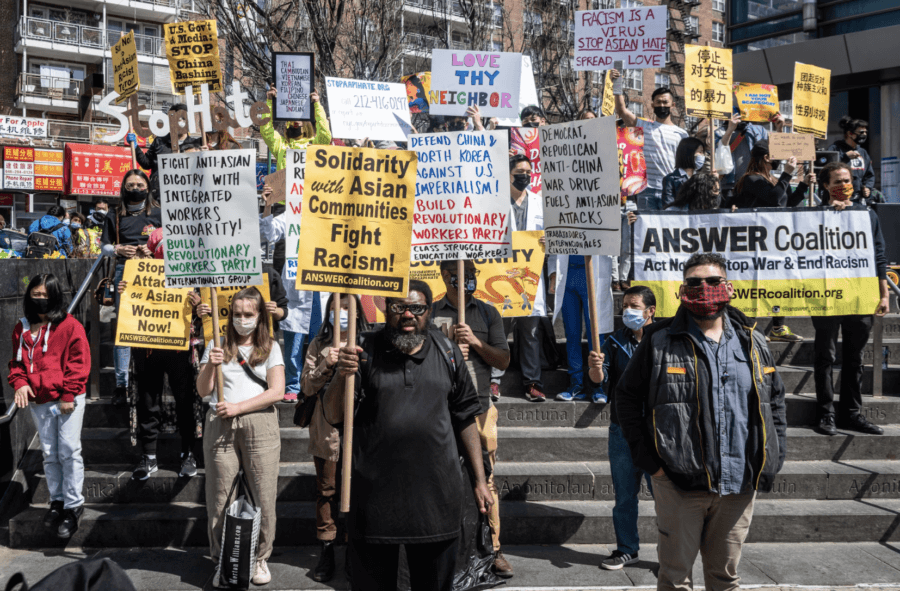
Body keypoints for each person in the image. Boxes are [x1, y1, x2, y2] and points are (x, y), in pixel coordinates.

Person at [617, 253, 787, 591]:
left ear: (729, 288)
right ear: (682, 291)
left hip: (739, 485)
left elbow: (775, 401)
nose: (704, 289)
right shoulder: (659, 340)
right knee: (674, 579)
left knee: (725, 579)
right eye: (694, 283)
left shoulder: (753, 341)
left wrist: (773, 455)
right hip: (679, 484)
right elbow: (626, 399)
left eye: (713, 281)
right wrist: (652, 463)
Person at [326, 281, 492, 591]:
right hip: (373, 502)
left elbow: (466, 418)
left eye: (417, 308)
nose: (407, 315)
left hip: (436, 502)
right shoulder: (363, 350)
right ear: (385, 310)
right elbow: (335, 414)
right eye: (399, 307)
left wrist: (480, 481)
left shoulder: (447, 351)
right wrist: (341, 376)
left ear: (429, 312)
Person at [198, 286, 285, 587]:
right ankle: (222, 560)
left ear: (260, 316)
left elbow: (276, 391)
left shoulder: (270, 347)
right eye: (236, 314)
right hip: (220, 425)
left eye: (248, 314)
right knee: (219, 496)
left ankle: (259, 557)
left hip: (258, 423)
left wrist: (238, 407)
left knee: (263, 494)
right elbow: (202, 390)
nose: (242, 319)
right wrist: (212, 362)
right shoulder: (217, 343)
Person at [432, 260, 513, 578]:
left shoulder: (488, 313)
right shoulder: (432, 311)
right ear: (445, 275)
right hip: (441, 412)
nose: (469, 280)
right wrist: (451, 350)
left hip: (480, 410)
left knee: (486, 482)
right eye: (461, 274)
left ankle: (494, 551)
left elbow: (504, 360)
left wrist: (477, 344)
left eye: (473, 274)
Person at [9, 274, 90, 539]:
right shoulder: (21, 328)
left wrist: (68, 394)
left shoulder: (70, 326)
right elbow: (17, 364)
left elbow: (79, 363)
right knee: (49, 452)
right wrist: (19, 382)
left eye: (45, 295)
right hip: (40, 399)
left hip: (68, 398)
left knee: (69, 449)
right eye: (36, 294)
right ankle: (57, 501)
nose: (40, 299)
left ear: (55, 296)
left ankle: (74, 505)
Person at [117, 228, 202, 481]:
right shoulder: (141, 273)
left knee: (186, 401)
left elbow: (207, 315)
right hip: (147, 346)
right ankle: (149, 456)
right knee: (147, 399)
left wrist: (198, 305)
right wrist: (125, 291)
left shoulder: (193, 274)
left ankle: (188, 453)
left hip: (180, 346)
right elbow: (130, 307)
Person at [812, 162, 890, 437]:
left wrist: (884, 292)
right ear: (825, 186)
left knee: (854, 358)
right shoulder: (815, 215)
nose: (845, 184)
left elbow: (878, 255)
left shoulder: (867, 216)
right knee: (825, 355)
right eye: (838, 180)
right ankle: (825, 414)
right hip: (827, 295)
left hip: (860, 293)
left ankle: (852, 414)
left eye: (848, 179)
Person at [300, 293, 369, 582]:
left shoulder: (368, 345)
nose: (339, 313)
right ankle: (327, 549)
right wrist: (325, 364)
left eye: (345, 308)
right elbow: (305, 386)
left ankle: (355, 550)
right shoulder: (318, 344)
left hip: (361, 432)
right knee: (327, 491)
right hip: (327, 431)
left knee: (359, 492)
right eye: (334, 308)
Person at [586, 286, 655, 570]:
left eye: (634, 305)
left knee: (667, 497)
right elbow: (600, 381)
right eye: (625, 304)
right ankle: (627, 549)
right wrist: (596, 368)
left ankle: (675, 552)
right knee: (624, 495)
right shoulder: (613, 342)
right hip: (623, 430)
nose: (627, 310)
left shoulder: (664, 339)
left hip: (657, 431)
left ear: (650, 311)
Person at [730, 141, 814, 343]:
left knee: (779, 284)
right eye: (776, 155)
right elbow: (774, 200)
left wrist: (803, 185)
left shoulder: (773, 179)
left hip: (776, 241)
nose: (780, 160)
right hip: (756, 242)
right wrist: (788, 174)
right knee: (755, 284)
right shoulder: (751, 179)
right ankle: (749, 327)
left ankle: (778, 327)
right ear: (767, 158)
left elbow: (788, 203)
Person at [100, 170, 161, 404]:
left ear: (147, 186)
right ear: (123, 187)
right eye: (130, 184)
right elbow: (104, 246)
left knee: (152, 323)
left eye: (139, 183)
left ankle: (151, 376)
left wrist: (154, 249)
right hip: (124, 271)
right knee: (124, 329)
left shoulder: (158, 213)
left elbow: (172, 241)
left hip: (153, 272)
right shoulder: (114, 214)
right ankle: (121, 384)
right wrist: (117, 249)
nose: (135, 187)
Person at [259, 185, 324, 402]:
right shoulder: (293, 213)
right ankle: (293, 384)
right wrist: (268, 206)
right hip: (297, 280)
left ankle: (318, 382)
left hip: (323, 282)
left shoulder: (334, 210)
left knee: (321, 336)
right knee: (294, 336)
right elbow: (269, 232)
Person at [505, 154, 551, 402]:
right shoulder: (497, 201)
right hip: (501, 275)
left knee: (531, 333)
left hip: (530, 275)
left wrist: (548, 239)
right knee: (499, 330)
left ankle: (532, 382)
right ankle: (493, 380)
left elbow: (553, 236)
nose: (524, 176)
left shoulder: (540, 202)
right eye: (519, 172)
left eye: (528, 172)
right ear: (509, 174)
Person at [610, 74, 689, 211]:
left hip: (672, 190)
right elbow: (621, 111)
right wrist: (617, 84)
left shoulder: (681, 134)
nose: (662, 105)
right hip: (647, 191)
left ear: (673, 105)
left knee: (669, 229)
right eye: (658, 102)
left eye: (665, 102)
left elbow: (686, 165)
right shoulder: (643, 126)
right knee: (647, 230)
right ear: (652, 104)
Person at [550, 254, 615, 403]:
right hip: (567, 275)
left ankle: (598, 385)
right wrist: (553, 272)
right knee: (572, 333)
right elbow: (556, 239)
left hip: (594, 273)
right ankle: (576, 383)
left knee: (596, 333)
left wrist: (615, 275)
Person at [131, 104, 203, 198]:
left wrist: (205, 155)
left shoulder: (197, 144)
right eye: (177, 119)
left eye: (183, 118)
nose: (181, 122)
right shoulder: (159, 142)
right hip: (159, 195)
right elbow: (146, 164)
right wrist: (135, 147)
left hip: (187, 196)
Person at [828, 116, 875, 204]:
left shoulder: (863, 152)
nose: (864, 134)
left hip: (858, 199)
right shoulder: (835, 148)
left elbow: (869, 175)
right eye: (861, 132)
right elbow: (827, 169)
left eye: (866, 132)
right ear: (850, 133)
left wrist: (868, 188)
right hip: (838, 200)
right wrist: (844, 157)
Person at [661, 137, 708, 210]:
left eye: (703, 153)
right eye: (700, 152)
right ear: (689, 153)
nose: (702, 156)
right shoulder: (671, 179)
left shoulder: (703, 178)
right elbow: (668, 207)